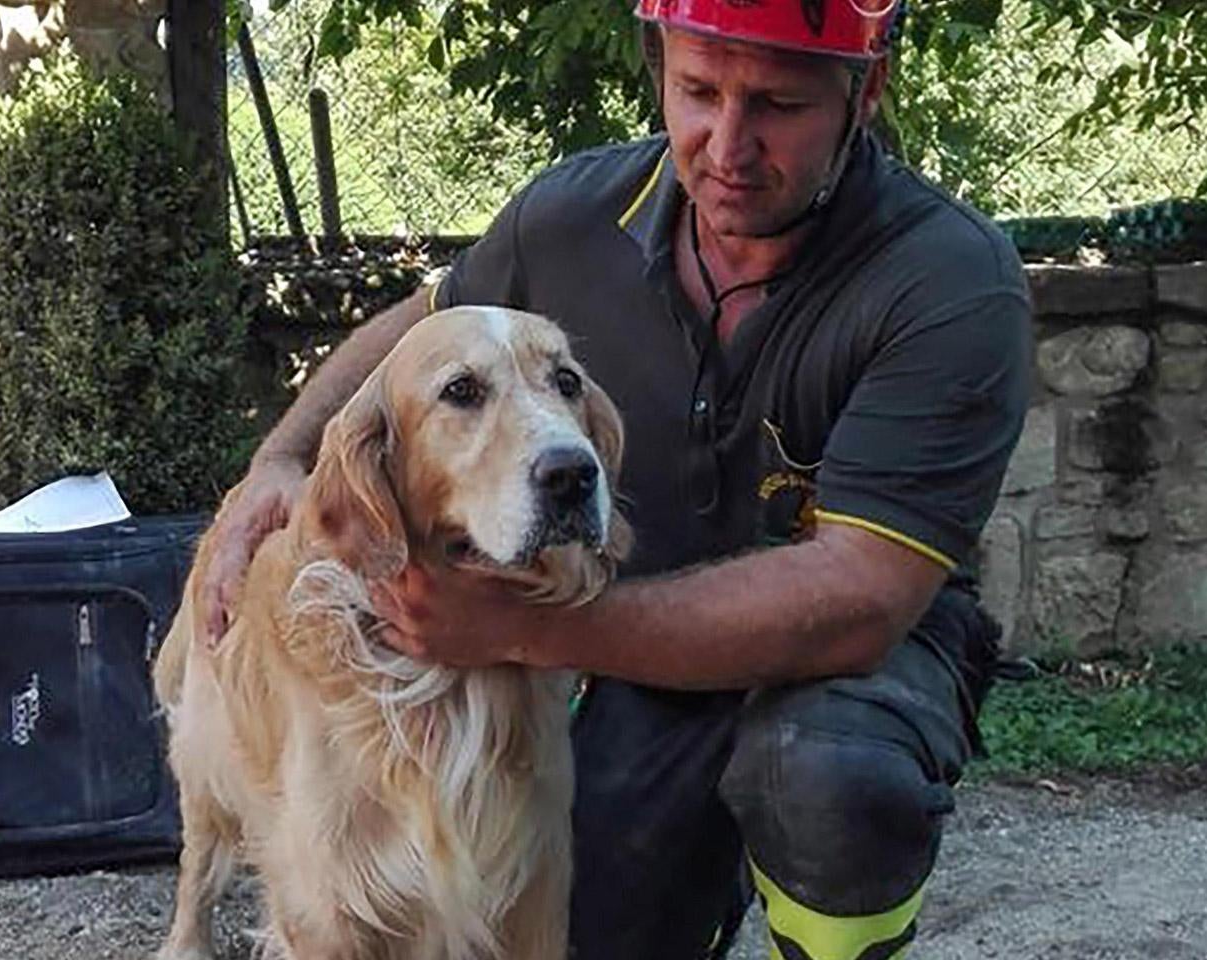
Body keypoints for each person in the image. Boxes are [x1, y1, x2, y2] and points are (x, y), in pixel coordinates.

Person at [199, 0, 1032, 956]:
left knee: (831, 777)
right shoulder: (571, 217)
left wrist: (520, 628)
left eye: (777, 104)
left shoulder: (948, 279)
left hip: (856, 658)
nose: (728, 144)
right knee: (568, 923)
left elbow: (858, 599)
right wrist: (282, 456)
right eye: (697, 91)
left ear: (865, 91)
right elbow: (420, 328)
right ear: (659, 68)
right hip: (641, 644)